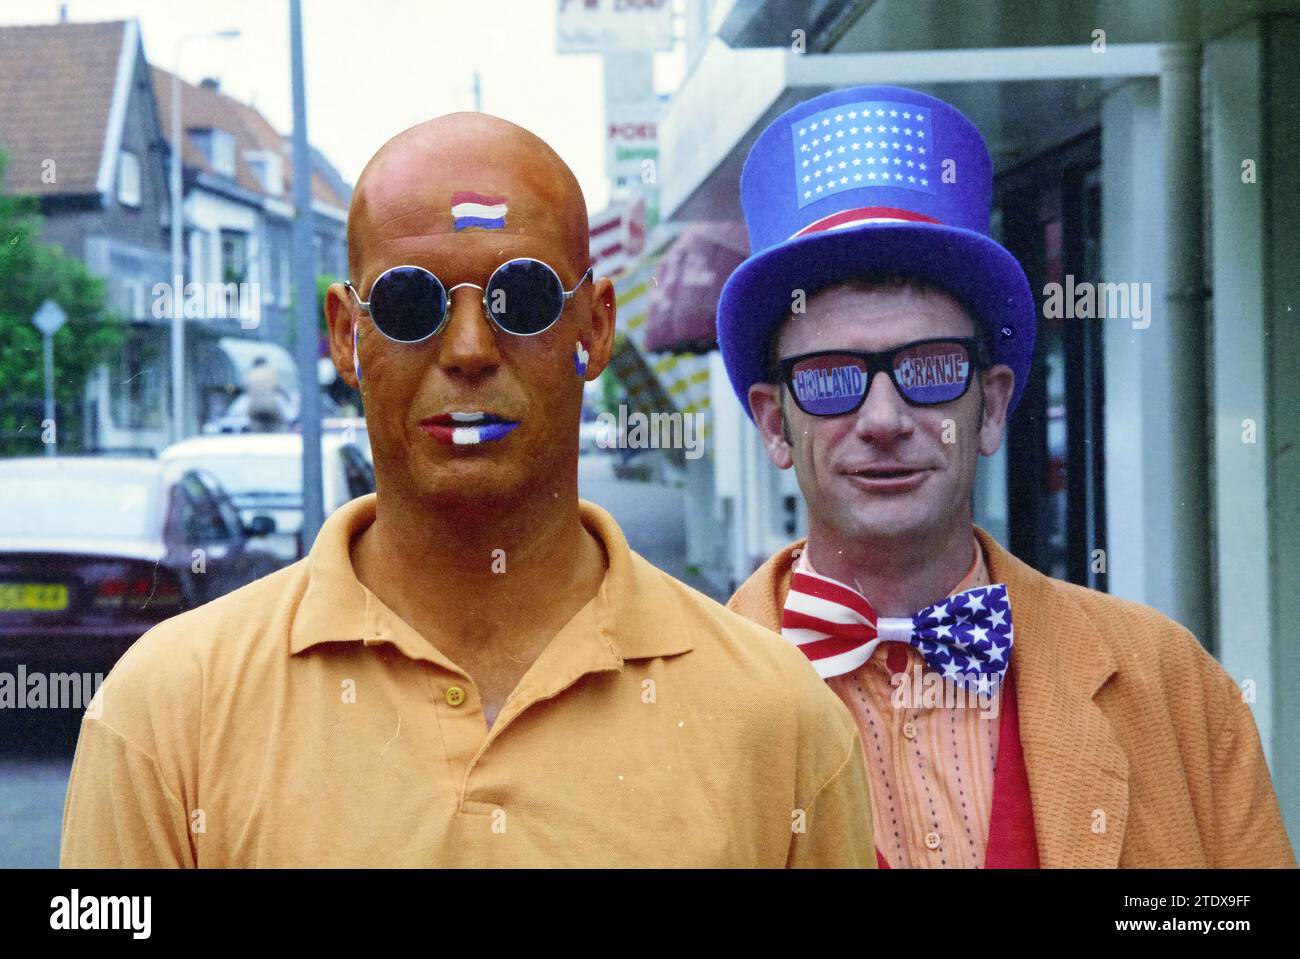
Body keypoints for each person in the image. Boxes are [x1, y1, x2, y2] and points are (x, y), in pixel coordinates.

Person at [59, 113, 875, 868]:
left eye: (521, 299)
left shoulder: (778, 720)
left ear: (593, 327)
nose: (471, 348)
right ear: (347, 336)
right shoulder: (166, 713)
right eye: (411, 303)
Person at [719, 85, 1294, 868]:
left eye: (928, 368)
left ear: (990, 408)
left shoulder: (1173, 685)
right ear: (773, 422)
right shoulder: (682, 711)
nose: (884, 418)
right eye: (829, 376)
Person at [242, 356, 289, 432]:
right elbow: (279, 388)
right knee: (280, 422)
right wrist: (288, 398)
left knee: (255, 425)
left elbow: (246, 391)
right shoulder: (270, 372)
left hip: (254, 407)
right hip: (270, 406)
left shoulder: (250, 375)